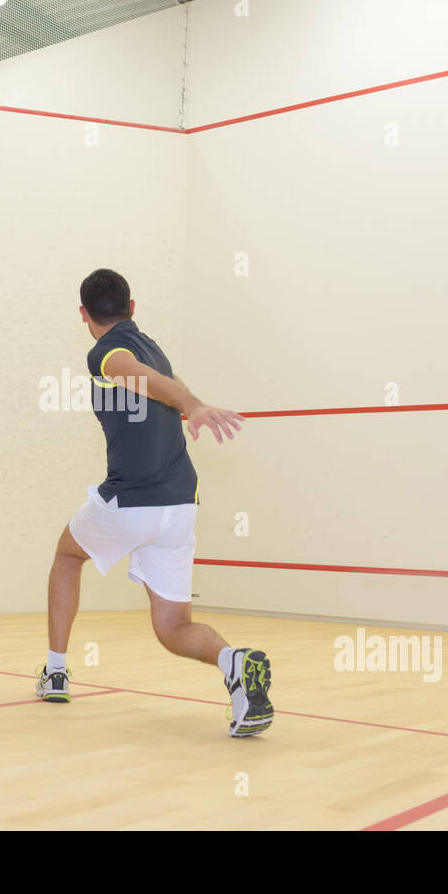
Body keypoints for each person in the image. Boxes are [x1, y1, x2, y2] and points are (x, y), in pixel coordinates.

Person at [37, 269, 273, 736]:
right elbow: (160, 378)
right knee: (172, 627)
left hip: (132, 501)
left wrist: (195, 406)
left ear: (84, 314)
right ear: (133, 307)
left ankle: (56, 670)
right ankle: (235, 663)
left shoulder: (107, 354)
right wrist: (192, 402)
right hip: (179, 506)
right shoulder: (154, 347)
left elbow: (140, 377)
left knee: (67, 555)